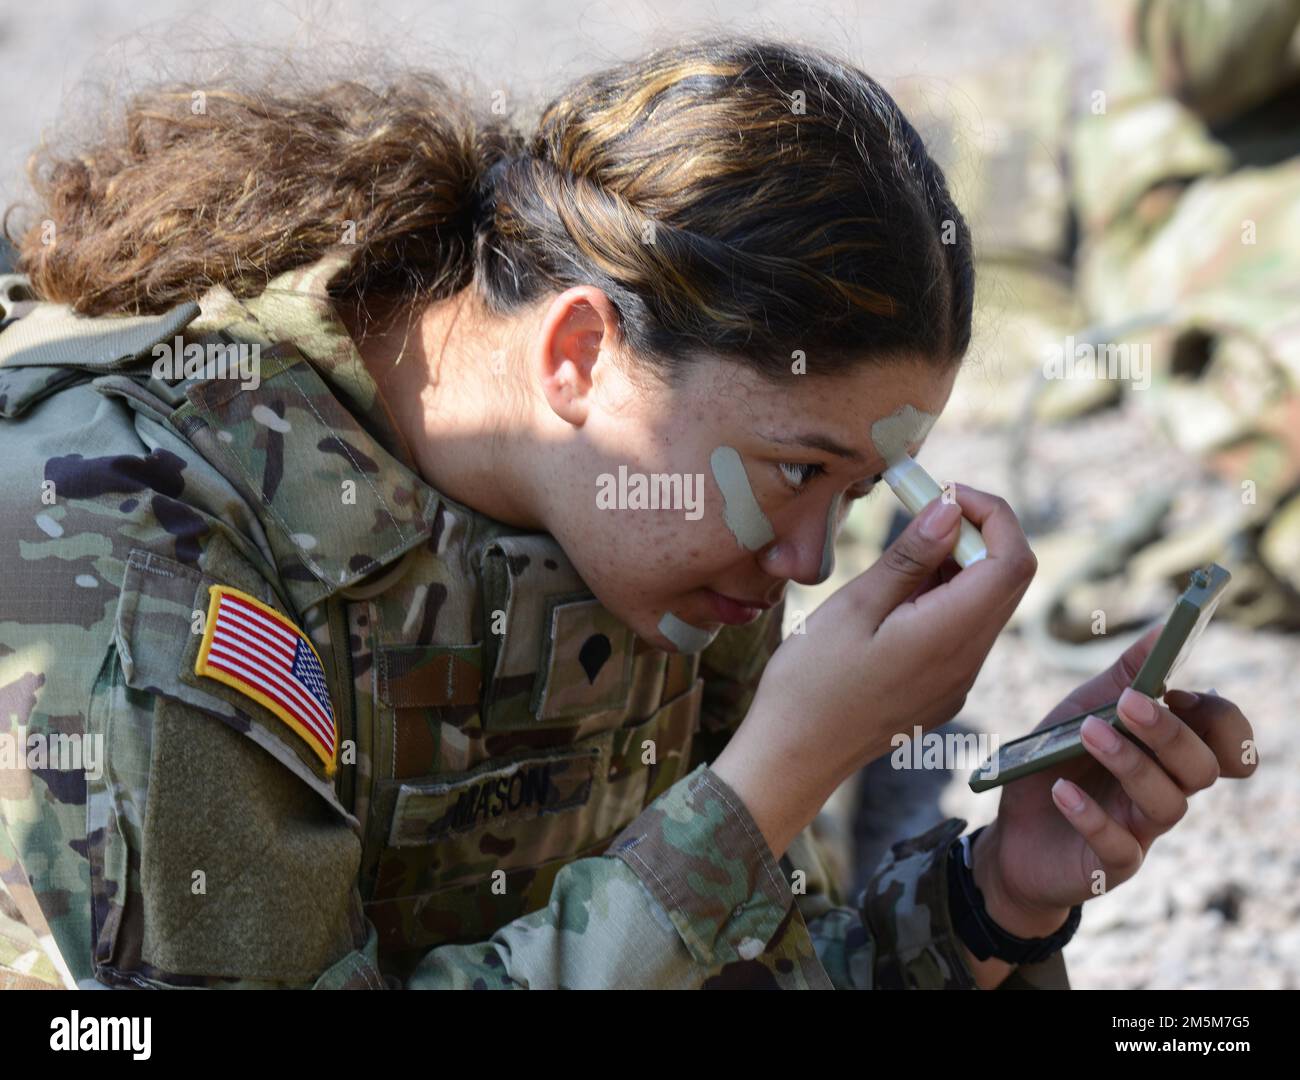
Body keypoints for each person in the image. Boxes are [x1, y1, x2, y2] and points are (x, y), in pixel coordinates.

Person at [0, 34, 1256, 990]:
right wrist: (774, 779)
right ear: (578, 356)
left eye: (858, 492)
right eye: (796, 469)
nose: (808, 557)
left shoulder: (650, 521)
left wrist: (992, 902)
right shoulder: (126, 540)